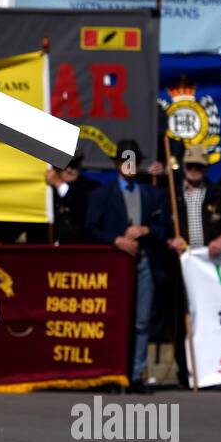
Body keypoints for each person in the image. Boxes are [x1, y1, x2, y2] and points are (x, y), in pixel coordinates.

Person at [85, 139, 170, 392]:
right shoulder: (102, 194)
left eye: (134, 160)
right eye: (125, 160)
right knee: (114, 320)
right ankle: (113, 373)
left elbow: (165, 228)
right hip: (115, 264)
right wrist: (116, 240)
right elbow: (90, 228)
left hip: (143, 262)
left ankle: (135, 375)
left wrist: (147, 229)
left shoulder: (151, 194)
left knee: (141, 321)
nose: (130, 165)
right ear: (117, 163)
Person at [167, 145, 221, 387]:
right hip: (180, 266)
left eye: (199, 166)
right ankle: (185, 371)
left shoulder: (218, 194)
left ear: (206, 168)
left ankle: (212, 369)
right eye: (190, 166)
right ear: (184, 167)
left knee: (212, 318)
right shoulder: (172, 193)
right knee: (180, 319)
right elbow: (157, 224)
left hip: (210, 270)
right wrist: (170, 240)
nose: (194, 171)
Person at [46, 152, 97, 244]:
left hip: (76, 248)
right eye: (65, 165)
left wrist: (59, 185)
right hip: (49, 245)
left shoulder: (91, 187)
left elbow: (81, 209)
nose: (69, 170)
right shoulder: (47, 188)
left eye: (74, 165)